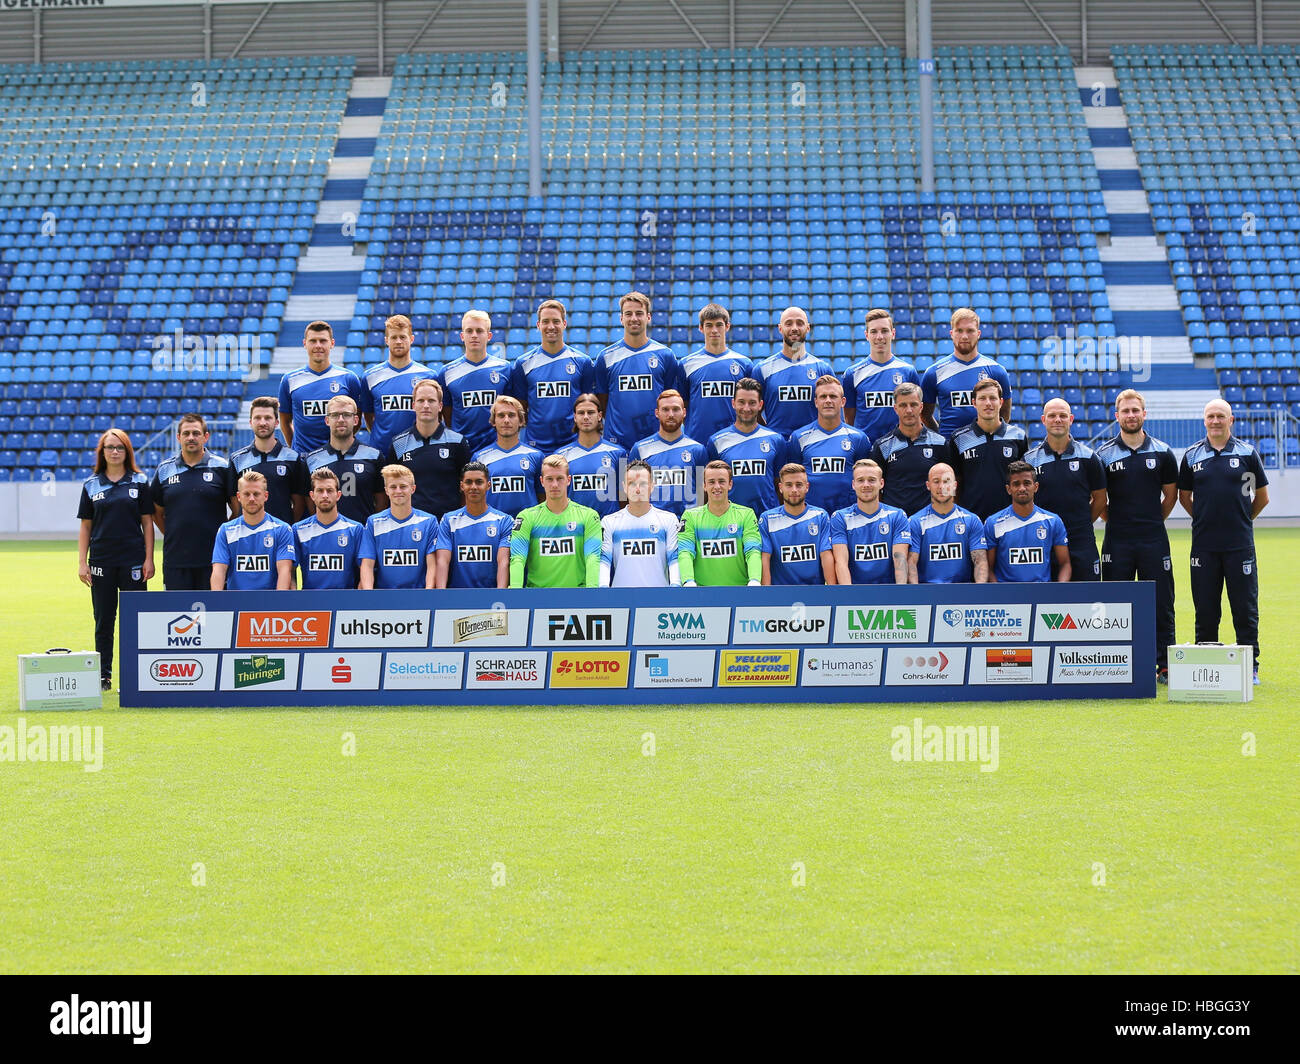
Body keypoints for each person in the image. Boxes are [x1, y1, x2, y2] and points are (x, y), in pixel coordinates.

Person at [1178, 398, 1269, 684]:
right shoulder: (1191, 456)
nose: (1215, 421)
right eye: (1210, 416)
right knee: (1206, 608)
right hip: (1203, 546)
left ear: (1231, 420)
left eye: (1221, 416)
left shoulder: (1247, 453)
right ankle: (1207, 664)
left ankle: (1250, 666)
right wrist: (1205, 519)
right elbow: (1184, 497)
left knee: (1244, 608)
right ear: (1204, 421)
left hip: (1239, 545)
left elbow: (1262, 497)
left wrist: (1241, 520)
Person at [1096, 389, 1178, 683]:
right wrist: (1119, 521)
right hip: (1117, 540)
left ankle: (1165, 665)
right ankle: (1118, 662)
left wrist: (1152, 521)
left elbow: (1171, 496)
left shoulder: (1162, 452)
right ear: (1116, 416)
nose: (1131, 415)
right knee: (1115, 603)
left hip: (1154, 539)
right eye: (1125, 411)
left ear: (1144, 414)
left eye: (1135, 410)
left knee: (1162, 602)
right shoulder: (1103, 454)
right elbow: (1100, 500)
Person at [77, 428, 154, 691]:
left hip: (133, 561)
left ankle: (135, 674)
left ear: (127, 451)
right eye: (109, 447)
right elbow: (86, 526)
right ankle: (103, 676)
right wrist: (82, 562)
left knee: (135, 621)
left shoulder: (140, 482)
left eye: (119, 447)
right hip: (101, 562)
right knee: (103, 621)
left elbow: (148, 523)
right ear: (102, 452)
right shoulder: (91, 484)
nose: (114, 452)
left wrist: (149, 559)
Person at [1024, 397, 1106, 580]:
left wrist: (1082, 523)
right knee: (1046, 602)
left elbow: (1100, 498)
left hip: (1081, 542)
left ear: (1071, 419)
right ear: (1043, 420)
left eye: (1063, 415)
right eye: (1052, 416)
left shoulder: (1089, 457)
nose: (1058, 420)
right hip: (1043, 541)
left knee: (1087, 600)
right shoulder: (1029, 460)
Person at [150, 413, 234, 591]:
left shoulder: (222, 467)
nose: (191, 438)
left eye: (196, 433)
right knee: (178, 614)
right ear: (178, 437)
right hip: (176, 559)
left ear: (206, 437)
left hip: (215, 559)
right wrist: (173, 532)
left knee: (217, 614)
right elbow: (156, 512)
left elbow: (237, 509)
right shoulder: (164, 470)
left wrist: (221, 536)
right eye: (186, 434)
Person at [595, 290, 683, 449]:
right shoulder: (605, 357)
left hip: (656, 443)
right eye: (628, 314)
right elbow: (602, 401)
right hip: (617, 444)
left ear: (648, 317)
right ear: (621, 318)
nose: (634, 318)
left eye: (639, 313)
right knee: (621, 475)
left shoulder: (665, 355)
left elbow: (670, 398)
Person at [510, 299, 595, 453]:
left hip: (574, 444)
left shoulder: (583, 362)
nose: (551, 327)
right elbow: (521, 409)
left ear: (564, 324)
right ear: (538, 325)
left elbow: (588, 405)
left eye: (556, 321)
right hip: (536, 446)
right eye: (545, 321)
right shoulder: (523, 363)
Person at [508, 455, 602, 588]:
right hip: (537, 599)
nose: (554, 485)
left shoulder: (588, 516)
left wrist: (592, 594)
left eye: (560, 479)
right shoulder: (526, 517)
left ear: (568, 480)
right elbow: (517, 559)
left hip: (576, 599)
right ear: (541, 481)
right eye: (549, 479)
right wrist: (515, 595)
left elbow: (592, 558)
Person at [786, 374, 872, 515]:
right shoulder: (799, 438)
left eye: (833, 396)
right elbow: (793, 480)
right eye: (823, 396)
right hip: (811, 516)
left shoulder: (858, 438)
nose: (828, 401)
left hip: (848, 516)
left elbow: (865, 479)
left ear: (843, 401)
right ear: (816, 402)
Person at [388, 378, 471, 520]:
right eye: (421, 401)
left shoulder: (457, 442)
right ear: (413, 405)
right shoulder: (398, 443)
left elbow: (467, 487)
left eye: (431, 401)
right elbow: (391, 489)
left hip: (447, 525)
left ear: (440, 406)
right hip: (411, 524)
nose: (426, 405)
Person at [920, 307, 1012, 436]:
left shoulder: (997, 371)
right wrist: (941, 438)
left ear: (978, 334)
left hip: (985, 447)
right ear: (951, 333)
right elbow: (925, 415)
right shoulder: (934, 372)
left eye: (970, 331)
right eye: (959, 331)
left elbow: (1005, 415)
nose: (964, 336)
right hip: (950, 450)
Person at [277, 320, 365, 454]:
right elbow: (285, 421)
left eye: (323, 341)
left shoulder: (348, 378)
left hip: (338, 456)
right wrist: (296, 449)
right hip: (304, 458)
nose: (318, 345)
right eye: (313, 341)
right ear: (305, 344)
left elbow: (356, 419)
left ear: (332, 343)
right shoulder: (289, 380)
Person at [949, 378, 1028, 521]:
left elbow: (1024, 481)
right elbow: (956, 484)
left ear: (1001, 402)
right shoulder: (958, 438)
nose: (988, 403)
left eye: (993, 398)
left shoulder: (1018, 436)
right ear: (974, 403)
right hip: (972, 521)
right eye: (982, 398)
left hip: (1010, 520)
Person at [869, 382, 952, 518]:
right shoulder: (882, 446)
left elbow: (950, 484)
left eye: (913, 405)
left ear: (921, 407)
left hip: (931, 521)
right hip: (895, 522)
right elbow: (876, 488)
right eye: (903, 405)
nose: (908, 410)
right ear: (895, 408)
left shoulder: (940, 443)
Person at [705, 377, 785, 517]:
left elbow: (780, 485)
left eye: (752, 403)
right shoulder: (716, 441)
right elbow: (710, 486)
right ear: (733, 403)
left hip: (766, 519)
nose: (746, 408)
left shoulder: (775, 440)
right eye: (741, 402)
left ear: (760, 405)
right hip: (729, 519)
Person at [436, 309, 512, 454]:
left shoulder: (505, 369)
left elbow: (511, 410)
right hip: (462, 449)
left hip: (497, 449)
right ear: (462, 336)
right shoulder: (447, 372)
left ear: (489, 336)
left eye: (479, 331)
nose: (474, 335)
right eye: (469, 331)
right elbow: (447, 415)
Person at [752, 305, 834, 437]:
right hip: (778, 447)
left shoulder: (823, 369)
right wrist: (771, 435)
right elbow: (752, 412)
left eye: (800, 323)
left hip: (812, 445)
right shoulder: (762, 370)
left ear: (808, 328)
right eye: (788, 323)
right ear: (780, 328)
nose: (794, 328)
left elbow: (834, 412)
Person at [360, 313, 435, 457]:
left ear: (411, 339)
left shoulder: (428, 375)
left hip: (418, 452)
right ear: (386, 340)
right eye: (394, 337)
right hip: (381, 452)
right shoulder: (370, 377)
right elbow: (369, 417)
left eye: (403, 337)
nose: (398, 341)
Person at [842, 308, 921, 445]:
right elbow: (850, 420)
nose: (879, 337)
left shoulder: (908, 371)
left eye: (884, 331)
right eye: (874, 332)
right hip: (867, 448)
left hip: (901, 447)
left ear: (893, 333)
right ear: (867, 335)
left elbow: (916, 414)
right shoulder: (852, 374)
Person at [678, 461, 762, 587]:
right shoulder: (690, 516)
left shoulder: (746, 515)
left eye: (721, 481)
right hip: (702, 594)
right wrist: (688, 581)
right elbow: (685, 552)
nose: (717, 486)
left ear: (730, 484)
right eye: (711, 482)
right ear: (704, 486)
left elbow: (753, 551)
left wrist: (755, 580)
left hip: (740, 592)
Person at [983, 462, 1071, 583]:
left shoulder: (1053, 521)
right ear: (1008, 489)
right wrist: (1001, 595)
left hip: (1041, 595)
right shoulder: (993, 523)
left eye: (1027, 483)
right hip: (1008, 596)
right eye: (1016, 484)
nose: (1022, 488)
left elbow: (1065, 563)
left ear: (1036, 487)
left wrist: (1058, 590)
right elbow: (988, 568)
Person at [305, 395, 386, 525]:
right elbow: (309, 502)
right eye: (335, 415)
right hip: (326, 533)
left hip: (362, 535)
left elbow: (382, 499)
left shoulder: (374, 456)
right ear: (327, 420)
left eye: (346, 415)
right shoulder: (312, 460)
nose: (341, 420)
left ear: (355, 420)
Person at [598, 460, 681, 587]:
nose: (637, 489)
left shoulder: (669, 520)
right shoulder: (609, 522)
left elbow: (674, 559)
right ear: (624, 487)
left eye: (643, 484)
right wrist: (602, 590)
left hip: (658, 601)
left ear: (652, 486)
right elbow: (604, 561)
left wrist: (675, 588)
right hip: (621, 601)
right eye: (632, 484)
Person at [680, 302, 754, 444]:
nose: (714, 330)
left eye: (719, 325)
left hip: (734, 442)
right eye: (709, 325)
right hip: (697, 441)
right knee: (700, 468)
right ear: (701, 328)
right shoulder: (686, 364)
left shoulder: (744, 364)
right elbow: (683, 404)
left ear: (727, 326)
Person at [627, 390, 708, 517]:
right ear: (657, 413)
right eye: (665, 409)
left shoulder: (697, 449)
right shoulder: (640, 449)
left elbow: (704, 492)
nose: (671, 414)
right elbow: (632, 491)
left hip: (688, 525)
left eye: (676, 409)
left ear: (684, 412)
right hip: (652, 522)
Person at [210, 471, 296, 591]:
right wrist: (218, 604)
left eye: (256, 494)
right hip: (236, 603)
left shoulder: (282, 529)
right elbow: (219, 570)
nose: (251, 499)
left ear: (265, 496)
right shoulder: (226, 530)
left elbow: (284, 571)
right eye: (247, 494)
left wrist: (278, 605)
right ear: (239, 497)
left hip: (269, 603)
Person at [227, 396, 307, 525]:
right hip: (249, 535)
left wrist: (286, 527)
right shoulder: (237, 459)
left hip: (281, 536)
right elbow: (235, 505)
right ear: (250, 422)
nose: (262, 423)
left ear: (276, 422)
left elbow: (299, 503)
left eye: (268, 418)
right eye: (257, 418)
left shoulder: (293, 458)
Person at [829, 459, 911, 585]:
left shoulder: (897, 516)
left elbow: (900, 560)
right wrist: (848, 597)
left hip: (888, 593)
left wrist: (899, 595)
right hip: (855, 593)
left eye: (872, 480)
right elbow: (841, 562)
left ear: (881, 483)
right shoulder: (840, 517)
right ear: (853, 484)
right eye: (860, 480)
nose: (866, 485)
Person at [434, 462, 514, 590]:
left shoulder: (505, 520)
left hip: (491, 596)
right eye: (468, 482)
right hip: (457, 597)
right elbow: (443, 561)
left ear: (488, 485)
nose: (473, 487)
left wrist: (501, 595)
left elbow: (503, 562)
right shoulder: (449, 520)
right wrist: (441, 596)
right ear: (462, 486)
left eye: (479, 482)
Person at [358, 464, 438, 590]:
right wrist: (369, 598)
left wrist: (427, 597)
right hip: (385, 598)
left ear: (413, 488)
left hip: (418, 597)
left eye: (403, 486)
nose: (398, 491)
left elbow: (432, 565)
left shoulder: (428, 521)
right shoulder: (374, 522)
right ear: (386, 490)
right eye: (393, 487)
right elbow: (367, 564)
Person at [907, 463, 990, 584]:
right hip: (928, 593)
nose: (942, 486)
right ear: (928, 485)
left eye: (947, 481)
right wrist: (917, 595)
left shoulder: (971, 520)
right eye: (936, 481)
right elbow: (911, 563)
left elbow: (980, 561)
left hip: (961, 593)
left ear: (955, 485)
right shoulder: (915, 522)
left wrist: (977, 594)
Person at [759, 464, 834, 585]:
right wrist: (766, 595)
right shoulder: (767, 518)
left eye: (799, 485)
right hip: (781, 594)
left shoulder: (820, 516)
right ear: (780, 487)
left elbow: (826, 555)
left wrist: (832, 593)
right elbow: (765, 558)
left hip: (815, 593)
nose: (794, 490)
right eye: (789, 485)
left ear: (807, 487)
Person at [557, 393, 627, 518]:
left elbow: (624, 496)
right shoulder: (561, 456)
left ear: (599, 416)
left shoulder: (619, 453)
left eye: (590, 412)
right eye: (581, 413)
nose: (586, 417)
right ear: (574, 417)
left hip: (607, 527)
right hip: (574, 525)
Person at [473, 396, 543, 518]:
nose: (506, 420)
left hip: (527, 529)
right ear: (493, 421)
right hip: (493, 528)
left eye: (511, 415)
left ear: (521, 420)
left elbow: (543, 497)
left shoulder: (536, 456)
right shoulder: (479, 458)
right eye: (501, 415)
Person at [293, 468, 363, 590]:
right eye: (320, 490)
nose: (325, 495)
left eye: (329, 490)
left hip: (345, 604)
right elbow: (290, 572)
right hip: (311, 604)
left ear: (338, 495)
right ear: (312, 495)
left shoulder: (355, 529)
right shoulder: (298, 530)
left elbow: (365, 572)